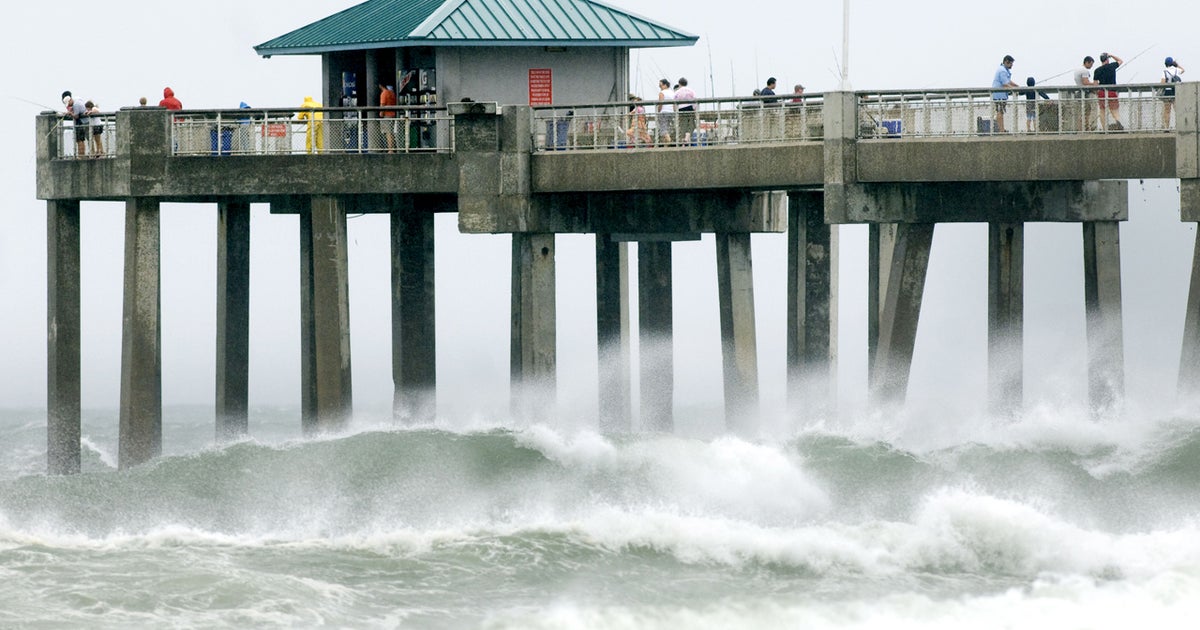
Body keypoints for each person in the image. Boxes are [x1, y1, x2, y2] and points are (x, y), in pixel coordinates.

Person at [1093, 52, 1124, 130]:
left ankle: (1104, 128)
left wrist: (1097, 93)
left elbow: (1095, 84)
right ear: (1107, 59)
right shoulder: (1112, 66)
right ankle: (1117, 121)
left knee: (1102, 111)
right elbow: (1120, 61)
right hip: (1112, 92)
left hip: (1102, 93)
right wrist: (1112, 55)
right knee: (1114, 110)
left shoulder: (1097, 70)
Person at [991, 55, 1019, 133]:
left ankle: (1002, 129)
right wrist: (1014, 89)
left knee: (1001, 112)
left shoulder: (1003, 70)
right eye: (1011, 64)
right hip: (999, 95)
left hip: (1000, 95)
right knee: (1000, 112)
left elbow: (1009, 81)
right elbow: (1005, 84)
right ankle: (1001, 130)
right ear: (1006, 62)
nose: (1012, 66)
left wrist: (1017, 86)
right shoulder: (1002, 71)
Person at [1073, 56, 1098, 130]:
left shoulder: (1077, 70)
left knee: (1083, 111)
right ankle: (1085, 128)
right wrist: (1094, 84)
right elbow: (1085, 82)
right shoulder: (1084, 71)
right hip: (1083, 93)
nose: (1091, 66)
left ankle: (1083, 127)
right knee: (1086, 111)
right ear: (1087, 62)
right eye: (1091, 64)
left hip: (1078, 92)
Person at [61, 91, 88, 156]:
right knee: (82, 139)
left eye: (68, 104)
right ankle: (81, 155)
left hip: (80, 122)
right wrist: (69, 112)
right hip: (85, 121)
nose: (69, 105)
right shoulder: (77, 99)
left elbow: (76, 116)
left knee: (80, 140)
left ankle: (81, 155)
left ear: (70, 100)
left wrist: (70, 113)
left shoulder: (76, 105)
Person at [1162, 57, 1186, 128]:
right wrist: (1177, 65)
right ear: (1172, 63)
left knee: (1167, 110)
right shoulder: (1176, 70)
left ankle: (1167, 127)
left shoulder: (1165, 71)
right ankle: (1179, 126)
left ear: (1166, 64)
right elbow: (1183, 70)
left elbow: (1162, 82)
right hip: (1176, 91)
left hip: (1167, 92)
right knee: (1177, 110)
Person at [674, 77, 697, 143]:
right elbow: (695, 100)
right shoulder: (691, 90)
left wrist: (675, 110)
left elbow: (674, 101)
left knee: (682, 124)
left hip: (680, 109)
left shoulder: (677, 91)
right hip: (690, 108)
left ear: (679, 83)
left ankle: (682, 139)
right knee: (691, 124)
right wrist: (695, 110)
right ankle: (687, 138)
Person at [378, 82, 397, 152]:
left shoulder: (384, 93)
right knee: (391, 132)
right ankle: (392, 147)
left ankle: (390, 149)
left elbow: (382, 105)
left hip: (387, 115)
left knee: (388, 132)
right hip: (393, 114)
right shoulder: (392, 93)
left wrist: (381, 113)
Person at [655, 78, 674, 144]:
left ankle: (669, 141)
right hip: (671, 112)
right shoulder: (672, 92)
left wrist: (658, 111)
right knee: (668, 128)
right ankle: (666, 144)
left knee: (663, 128)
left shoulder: (662, 93)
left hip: (664, 112)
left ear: (665, 85)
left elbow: (661, 103)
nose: (660, 87)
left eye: (661, 85)